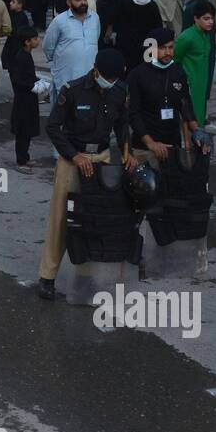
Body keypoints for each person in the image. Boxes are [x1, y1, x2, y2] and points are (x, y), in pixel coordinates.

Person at [36, 49, 134, 299]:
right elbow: (53, 127)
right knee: (61, 219)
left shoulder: (120, 91)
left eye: (114, 79)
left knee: (96, 220)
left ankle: (86, 277)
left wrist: (127, 152)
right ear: (95, 69)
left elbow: (122, 123)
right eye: (106, 78)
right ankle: (47, 276)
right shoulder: (73, 90)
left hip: (101, 160)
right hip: (73, 161)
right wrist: (74, 156)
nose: (110, 83)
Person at [127, 27, 198, 169]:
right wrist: (151, 143)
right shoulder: (137, 75)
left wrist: (197, 130)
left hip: (173, 145)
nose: (168, 52)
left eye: (171, 47)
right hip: (145, 148)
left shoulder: (178, 71)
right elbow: (133, 114)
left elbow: (185, 103)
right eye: (163, 48)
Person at [43, 0, 100, 94]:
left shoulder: (95, 18)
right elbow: (48, 47)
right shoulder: (59, 21)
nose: (83, 2)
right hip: (66, 79)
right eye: (78, 0)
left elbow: (95, 39)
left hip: (89, 80)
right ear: (69, 2)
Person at [174, 1, 215, 126]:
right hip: (189, 84)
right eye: (206, 18)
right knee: (191, 118)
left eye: (212, 18)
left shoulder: (207, 35)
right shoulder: (186, 37)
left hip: (202, 82)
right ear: (196, 18)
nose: (211, 22)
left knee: (200, 115)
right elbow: (176, 60)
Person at [112, 0, 163, 72]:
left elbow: (117, 24)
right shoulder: (152, 5)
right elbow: (158, 29)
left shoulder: (124, 1)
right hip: (146, 49)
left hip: (126, 48)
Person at [7, 27, 41, 172]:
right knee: (23, 131)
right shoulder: (21, 57)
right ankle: (21, 161)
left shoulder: (26, 55)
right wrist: (34, 84)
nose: (37, 41)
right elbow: (19, 79)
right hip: (23, 100)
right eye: (34, 39)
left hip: (29, 98)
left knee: (27, 130)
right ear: (27, 42)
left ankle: (25, 156)